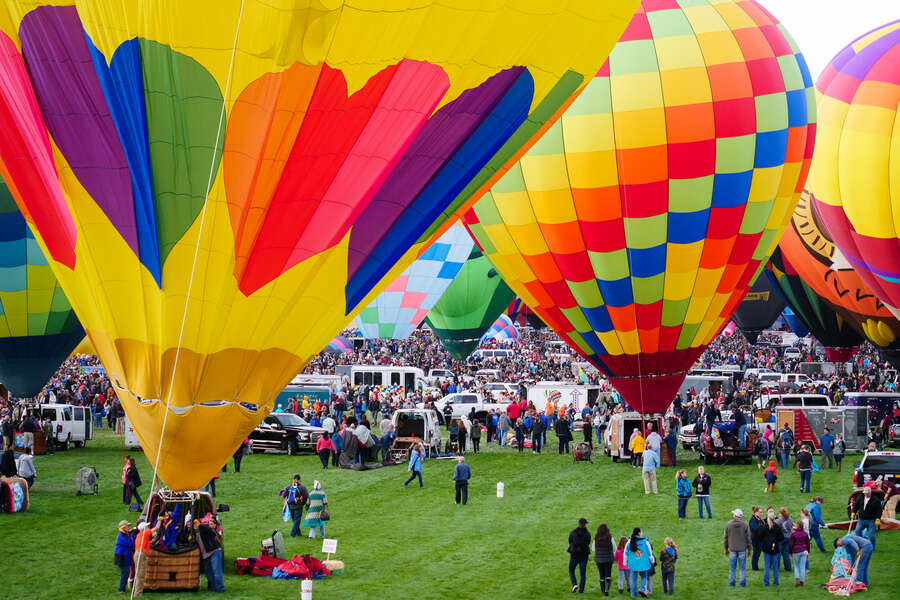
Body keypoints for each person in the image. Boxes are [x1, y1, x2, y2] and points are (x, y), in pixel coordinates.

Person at [196, 516, 225, 592]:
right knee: (208, 573)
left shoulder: (207, 529)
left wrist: (200, 525)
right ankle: (213, 588)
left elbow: (208, 529)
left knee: (216, 572)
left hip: (214, 551)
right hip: (206, 555)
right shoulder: (195, 532)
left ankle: (220, 589)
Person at [724, 508, 751, 587]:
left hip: (732, 549)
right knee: (742, 569)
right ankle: (742, 584)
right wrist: (750, 549)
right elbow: (748, 538)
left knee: (732, 569)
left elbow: (725, 538)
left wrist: (725, 548)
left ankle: (732, 584)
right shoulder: (745, 524)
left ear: (735, 515)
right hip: (742, 550)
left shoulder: (728, 524)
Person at [851, 486, 883, 550]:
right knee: (857, 532)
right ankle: (862, 544)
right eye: (864, 493)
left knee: (871, 536)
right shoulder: (860, 497)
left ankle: (872, 548)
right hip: (861, 520)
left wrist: (878, 518)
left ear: (870, 492)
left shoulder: (876, 500)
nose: (865, 494)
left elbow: (879, 510)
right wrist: (853, 512)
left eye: (867, 493)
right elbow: (856, 506)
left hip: (871, 520)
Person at [760, 507, 784, 586]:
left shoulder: (764, 526)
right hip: (775, 549)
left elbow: (760, 537)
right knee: (775, 567)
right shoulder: (777, 527)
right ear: (774, 518)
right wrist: (775, 540)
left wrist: (765, 541)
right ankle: (776, 583)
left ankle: (766, 583)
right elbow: (781, 538)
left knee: (767, 566)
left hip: (766, 549)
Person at [624, 527, 651, 598]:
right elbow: (649, 552)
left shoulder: (629, 542)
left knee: (633, 579)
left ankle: (633, 594)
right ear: (639, 533)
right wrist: (652, 560)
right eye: (641, 531)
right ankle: (641, 588)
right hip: (643, 563)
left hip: (633, 563)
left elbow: (626, 553)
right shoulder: (645, 541)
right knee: (644, 576)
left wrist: (625, 562)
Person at [567, 517, 591, 593]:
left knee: (571, 570)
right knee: (583, 573)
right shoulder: (587, 534)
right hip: (584, 555)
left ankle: (574, 584)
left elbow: (570, 541)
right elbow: (588, 543)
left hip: (574, 554)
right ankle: (581, 590)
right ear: (585, 525)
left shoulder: (573, 532)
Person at [593, 524, 616, 596]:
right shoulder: (610, 538)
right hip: (608, 559)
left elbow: (593, 549)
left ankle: (603, 590)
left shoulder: (596, 538)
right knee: (608, 575)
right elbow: (615, 548)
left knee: (601, 575)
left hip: (599, 560)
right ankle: (607, 590)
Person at [114, 520, 135, 593]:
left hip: (122, 555)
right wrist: (133, 536)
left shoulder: (124, 534)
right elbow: (131, 544)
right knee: (125, 572)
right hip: (121, 557)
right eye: (127, 526)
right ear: (123, 527)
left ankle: (122, 589)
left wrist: (131, 533)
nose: (129, 527)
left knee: (125, 572)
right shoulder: (122, 535)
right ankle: (121, 589)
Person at [789, 520, 810, 587]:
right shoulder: (805, 534)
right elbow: (808, 544)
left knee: (796, 566)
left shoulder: (793, 534)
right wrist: (808, 552)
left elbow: (791, 544)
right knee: (802, 567)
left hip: (796, 551)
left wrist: (790, 553)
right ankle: (802, 582)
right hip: (804, 551)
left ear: (797, 526)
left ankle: (797, 580)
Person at [775, 507, 794, 572]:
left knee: (778, 553)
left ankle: (776, 568)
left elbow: (775, 529)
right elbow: (791, 527)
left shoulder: (778, 520)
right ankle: (788, 568)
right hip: (789, 537)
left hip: (781, 538)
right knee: (786, 553)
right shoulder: (790, 519)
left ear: (780, 513)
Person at [748, 506, 764, 571]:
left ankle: (755, 567)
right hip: (755, 540)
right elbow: (756, 529)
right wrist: (763, 528)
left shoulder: (759, 519)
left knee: (758, 553)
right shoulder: (753, 520)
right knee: (756, 554)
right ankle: (754, 568)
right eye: (760, 512)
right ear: (756, 512)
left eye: (762, 512)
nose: (761, 513)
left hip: (759, 539)